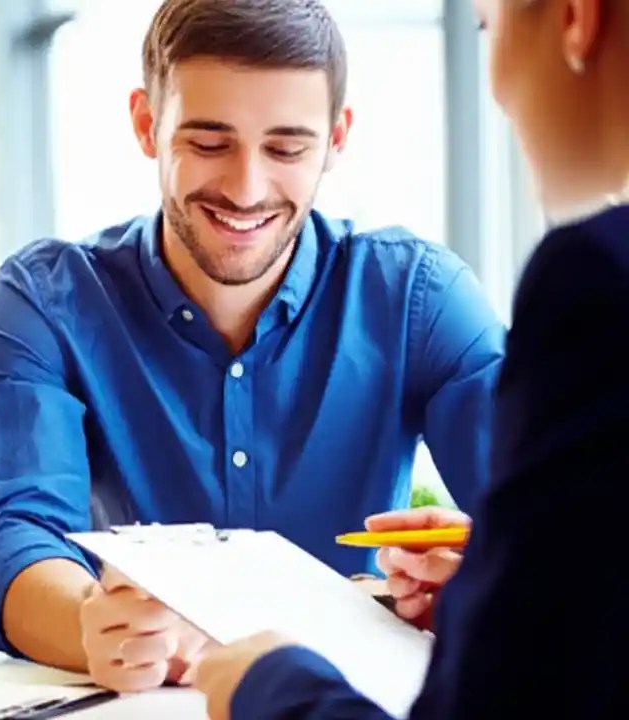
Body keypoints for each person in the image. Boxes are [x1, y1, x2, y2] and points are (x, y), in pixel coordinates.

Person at [0, 0, 506, 692]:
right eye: (210, 144)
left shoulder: (417, 299)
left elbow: (546, 510)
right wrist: (88, 625)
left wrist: (483, 577)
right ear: (146, 124)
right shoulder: (46, 302)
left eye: (286, 149)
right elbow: (13, 537)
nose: (246, 191)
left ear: (337, 138)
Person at [193, 0, 629, 717]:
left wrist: (269, 684)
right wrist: (504, 585)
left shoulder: (598, 283)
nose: (497, 89)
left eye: (487, 28)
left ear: (576, 19)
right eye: (210, 142)